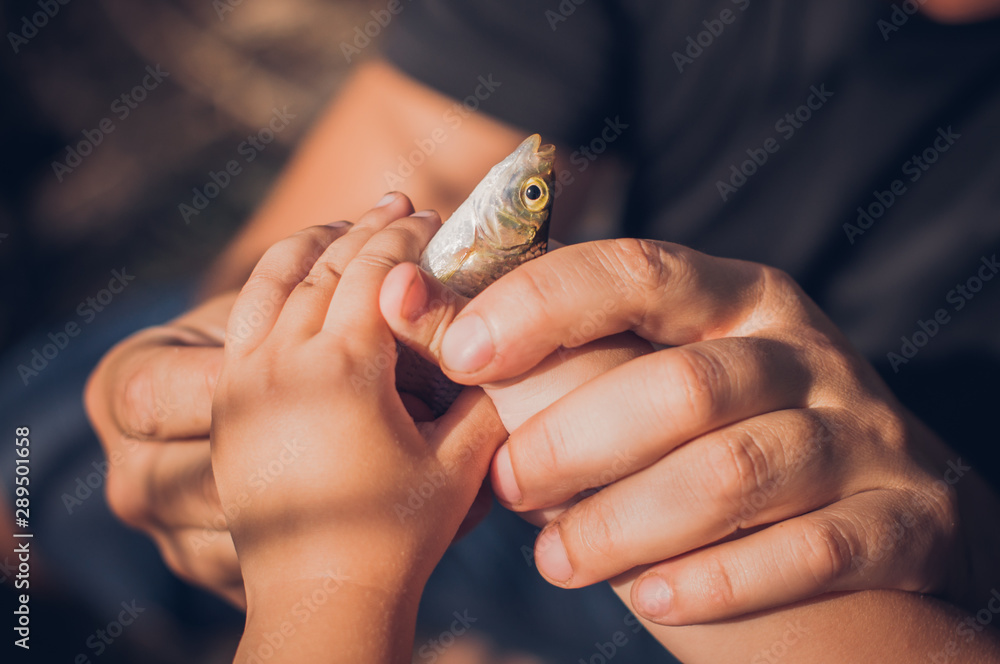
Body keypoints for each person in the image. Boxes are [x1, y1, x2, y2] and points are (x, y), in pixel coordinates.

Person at [84, 0, 1000, 660]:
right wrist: (167, 397)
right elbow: (411, 145)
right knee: (58, 426)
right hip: (491, 475)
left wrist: (330, 587)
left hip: (708, 564)